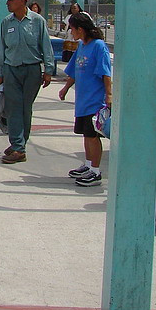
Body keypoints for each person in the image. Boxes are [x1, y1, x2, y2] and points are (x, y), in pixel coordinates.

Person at [0, 0, 55, 164]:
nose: (7, 3)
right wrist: (0, 72)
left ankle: (20, 143)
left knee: (25, 108)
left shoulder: (37, 21)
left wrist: (48, 70)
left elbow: (46, 45)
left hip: (32, 70)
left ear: (22, 1)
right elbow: (2, 49)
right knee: (14, 108)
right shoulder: (6, 22)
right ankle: (18, 146)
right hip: (11, 69)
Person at [58, 12, 112, 187]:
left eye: (72, 29)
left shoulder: (99, 46)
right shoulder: (81, 46)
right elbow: (74, 70)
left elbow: (105, 73)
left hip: (95, 101)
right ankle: (89, 164)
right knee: (85, 134)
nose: (71, 32)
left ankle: (96, 171)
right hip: (82, 100)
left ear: (80, 29)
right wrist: (66, 88)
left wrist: (109, 94)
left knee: (92, 135)